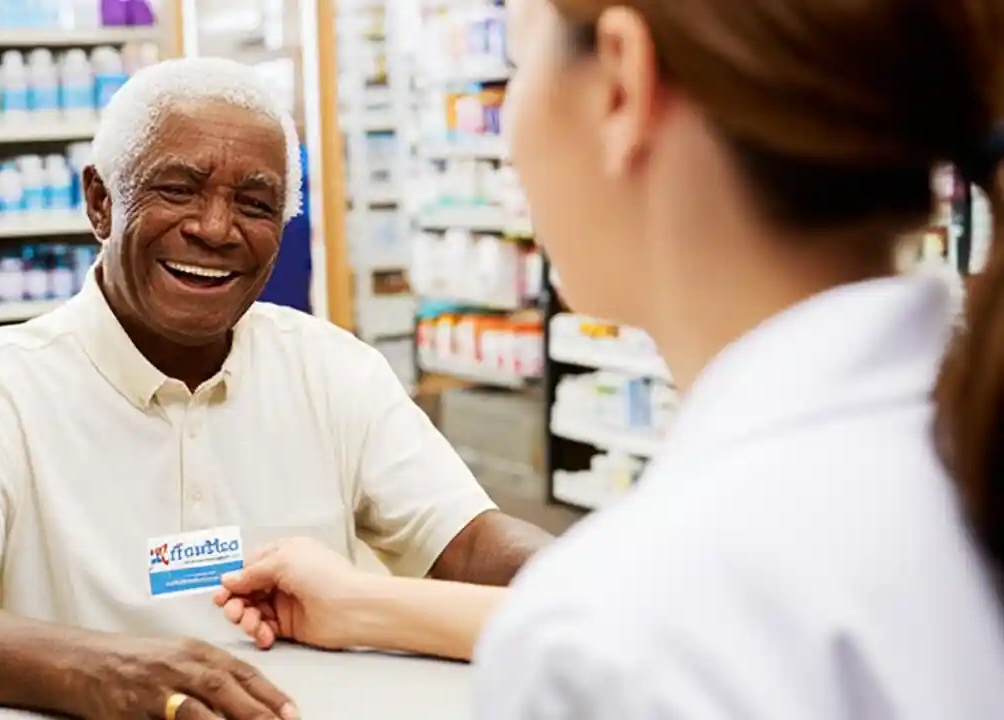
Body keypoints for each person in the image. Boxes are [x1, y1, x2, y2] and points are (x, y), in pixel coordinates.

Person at [215, 0, 1004, 717]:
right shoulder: (947, 451)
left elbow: (651, 623)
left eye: (520, 67)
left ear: (621, 84)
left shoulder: (614, 641)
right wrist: (359, 603)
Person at [0, 57, 552, 720]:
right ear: (101, 202)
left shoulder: (332, 371)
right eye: (176, 189)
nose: (215, 228)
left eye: (254, 203)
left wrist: (607, 572)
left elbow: (472, 546)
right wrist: (104, 673)